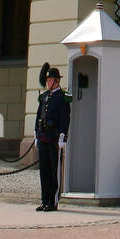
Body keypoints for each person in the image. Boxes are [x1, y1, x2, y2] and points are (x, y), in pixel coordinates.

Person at [34, 63, 70, 211]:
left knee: (54, 170)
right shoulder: (44, 96)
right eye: (47, 80)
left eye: (50, 80)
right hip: (43, 136)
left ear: (56, 81)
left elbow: (65, 118)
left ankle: (53, 201)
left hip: (55, 137)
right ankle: (44, 199)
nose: (47, 82)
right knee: (44, 170)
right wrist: (36, 133)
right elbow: (38, 116)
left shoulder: (63, 96)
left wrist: (63, 136)